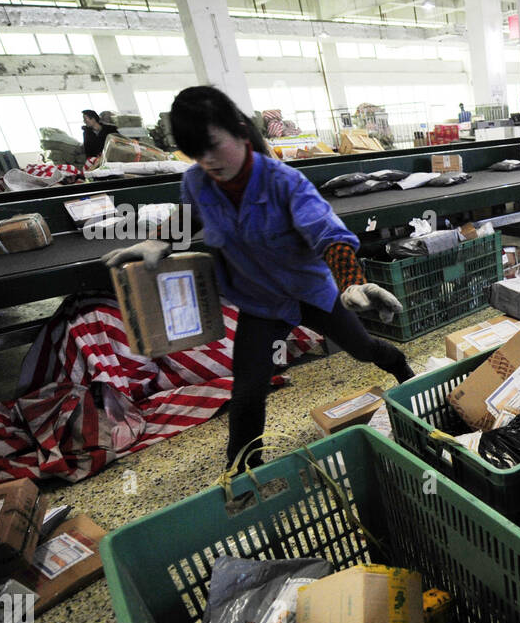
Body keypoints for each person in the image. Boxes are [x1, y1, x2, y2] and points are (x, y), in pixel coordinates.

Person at [102, 86, 414, 469]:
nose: (208, 161)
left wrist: (350, 280)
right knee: (248, 391)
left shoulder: (284, 182)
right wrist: (159, 241)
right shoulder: (197, 182)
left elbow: (327, 233)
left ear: (239, 131)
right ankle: (243, 473)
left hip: (310, 292)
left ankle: (405, 374)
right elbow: (191, 215)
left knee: (363, 349)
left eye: (213, 146)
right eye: (196, 153)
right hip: (261, 304)